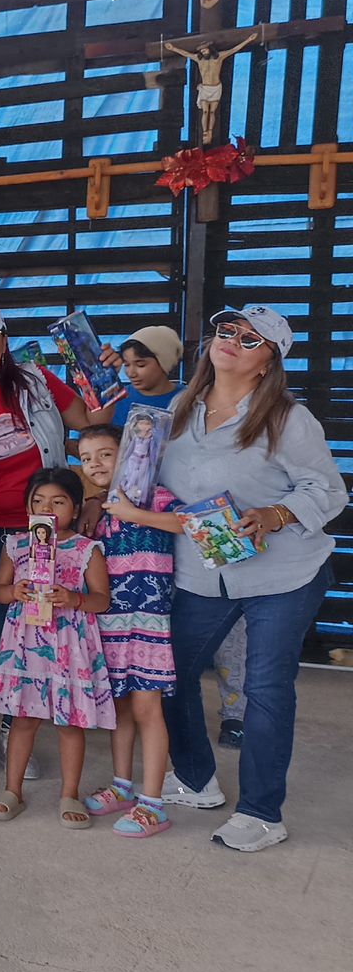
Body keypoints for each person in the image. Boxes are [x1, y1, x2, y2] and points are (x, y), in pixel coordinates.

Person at [154, 306, 344, 852]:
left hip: (283, 573)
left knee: (264, 689)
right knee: (170, 672)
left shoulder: (288, 418)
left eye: (251, 338)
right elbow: (160, 485)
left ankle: (262, 813)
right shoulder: (181, 408)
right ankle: (195, 779)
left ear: (268, 363)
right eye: (228, 330)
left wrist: (275, 515)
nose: (232, 340)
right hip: (203, 569)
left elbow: (327, 491)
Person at [0, 302, 89, 778]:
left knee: (35, 630)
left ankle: (17, 729)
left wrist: (98, 371)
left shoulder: (39, 382)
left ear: (4, 341)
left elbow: (89, 421)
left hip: (41, 531)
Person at [0, 468, 113, 828]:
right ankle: (13, 790)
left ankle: (69, 793)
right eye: (38, 501)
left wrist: (74, 598)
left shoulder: (87, 549)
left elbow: (102, 600)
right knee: (23, 718)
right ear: (27, 507)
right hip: (25, 644)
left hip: (68, 646)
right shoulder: (17, 545)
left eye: (58, 502)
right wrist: (14, 592)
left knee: (69, 723)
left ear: (75, 506)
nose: (48, 508)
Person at [76, 425, 178, 838]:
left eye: (105, 454)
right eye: (86, 458)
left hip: (149, 619)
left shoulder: (156, 495)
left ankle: (153, 803)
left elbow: (188, 523)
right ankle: (122, 786)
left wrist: (133, 514)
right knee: (119, 708)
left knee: (147, 709)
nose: (95, 464)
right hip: (109, 621)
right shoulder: (95, 510)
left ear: (131, 454)